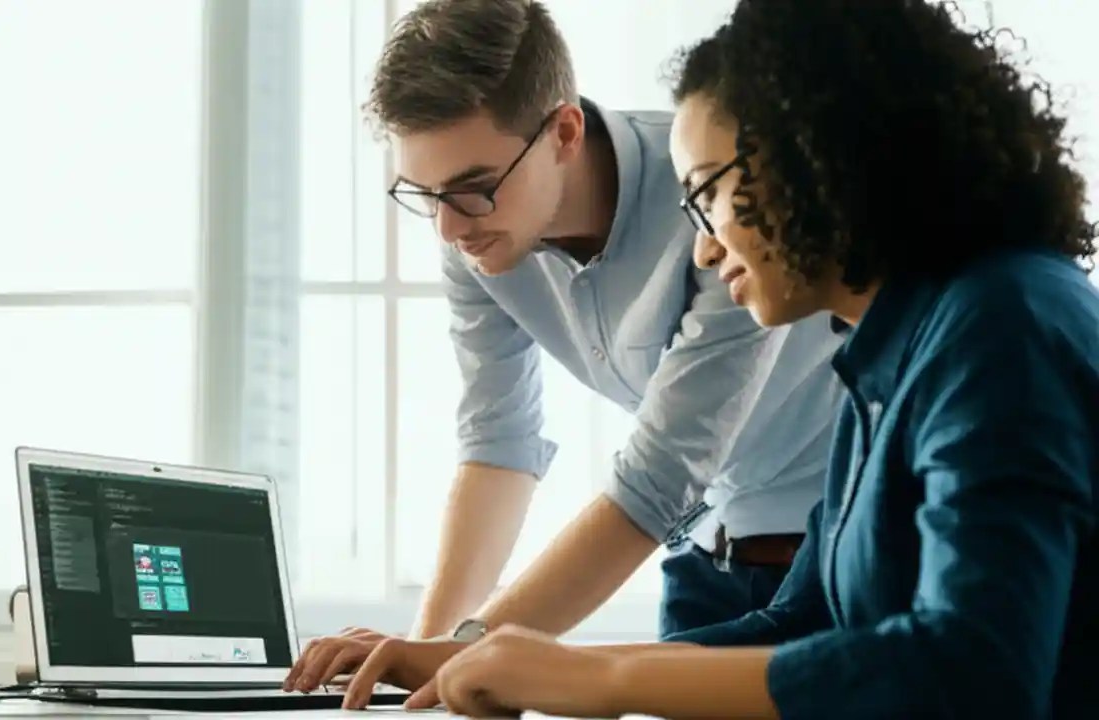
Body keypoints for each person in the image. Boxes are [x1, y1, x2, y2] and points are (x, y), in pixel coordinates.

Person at [415, 0, 1099, 717]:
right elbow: (798, 624)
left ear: (817, 154)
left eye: (709, 192)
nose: (705, 248)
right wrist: (522, 663)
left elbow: (975, 668)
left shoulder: (1004, 323)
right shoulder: (887, 358)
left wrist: (603, 683)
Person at [283, 0, 846, 707]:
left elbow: (660, 474)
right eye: (424, 195)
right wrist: (420, 675)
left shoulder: (718, 194)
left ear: (564, 131)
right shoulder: (477, 240)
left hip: (832, 555)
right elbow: (499, 446)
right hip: (704, 564)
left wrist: (463, 651)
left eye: (473, 188)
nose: (449, 226)